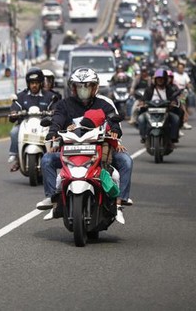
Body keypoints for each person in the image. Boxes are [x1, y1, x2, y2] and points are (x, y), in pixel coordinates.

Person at [36, 68, 134, 223]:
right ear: (73, 88)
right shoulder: (64, 105)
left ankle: (119, 203)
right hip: (70, 151)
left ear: (95, 87)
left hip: (100, 151)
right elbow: (57, 119)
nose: (83, 89)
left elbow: (113, 119)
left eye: (87, 86)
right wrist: (53, 132)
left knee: (126, 161)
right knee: (47, 159)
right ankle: (52, 199)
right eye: (79, 86)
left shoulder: (104, 104)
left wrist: (115, 130)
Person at [7, 68, 59, 172]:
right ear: (28, 84)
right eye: (31, 83)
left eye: (36, 83)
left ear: (41, 83)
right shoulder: (21, 96)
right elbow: (15, 107)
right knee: (14, 132)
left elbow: (56, 107)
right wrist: (14, 113)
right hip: (25, 124)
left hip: (44, 125)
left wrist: (53, 111)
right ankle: (16, 156)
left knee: (54, 133)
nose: (34, 85)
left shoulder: (50, 96)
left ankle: (53, 156)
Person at [136, 69, 181, 145]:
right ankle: (144, 137)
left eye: (162, 78)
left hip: (165, 112)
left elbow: (173, 99)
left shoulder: (169, 89)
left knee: (176, 119)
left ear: (165, 79)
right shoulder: (149, 89)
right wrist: (142, 103)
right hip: (150, 112)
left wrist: (173, 103)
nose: (160, 80)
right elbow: (144, 99)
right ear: (155, 79)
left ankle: (173, 138)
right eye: (158, 78)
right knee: (141, 118)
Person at [173, 62, 194, 129]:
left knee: (183, 104)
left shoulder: (185, 75)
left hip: (183, 92)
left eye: (182, 68)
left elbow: (188, 83)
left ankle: (185, 121)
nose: (180, 69)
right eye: (179, 68)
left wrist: (189, 86)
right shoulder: (174, 75)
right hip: (175, 91)